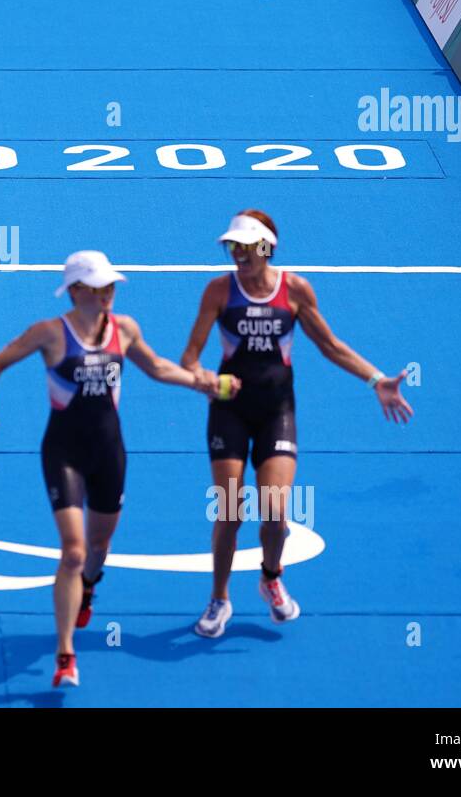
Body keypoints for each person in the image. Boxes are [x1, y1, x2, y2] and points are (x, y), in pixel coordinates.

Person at [0, 251, 226, 688]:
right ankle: (65, 654)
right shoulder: (49, 333)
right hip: (63, 453)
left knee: (99, 545)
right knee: (73, 550)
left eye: (110, 286)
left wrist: (207, 383)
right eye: (98, 287)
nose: (107, 293)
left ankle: (89, 586)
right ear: (75, 290)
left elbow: (159, 367)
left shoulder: (125, 329)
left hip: (109, 453)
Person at [179, 210, 414, 638]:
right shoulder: (218, 291)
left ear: (266, 248)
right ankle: (219, 599)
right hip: (229, 412)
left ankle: (270, 576)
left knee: (274, 513)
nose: (237, 255)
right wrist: (209, 382)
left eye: (245, 247)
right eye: (232, 247)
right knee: (230, 512)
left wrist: (377, 380)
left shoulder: (296, 290)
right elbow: (189, 360)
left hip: (276, 412)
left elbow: (330, 345)